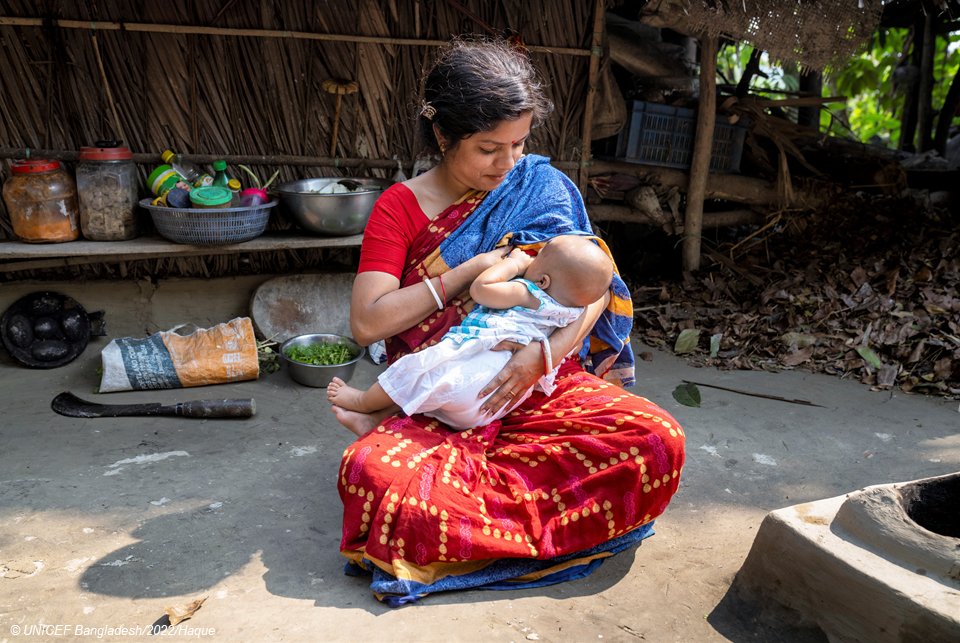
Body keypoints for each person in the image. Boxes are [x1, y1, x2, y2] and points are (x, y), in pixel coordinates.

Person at [332, 37, 686, 606]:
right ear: (444, 136)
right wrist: (465, 273)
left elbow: (592, 292)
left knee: (655, 439)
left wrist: (539, 358)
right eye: (488, 148)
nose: (507, 164)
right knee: (377, 477)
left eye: (518, 145)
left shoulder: (539, 187)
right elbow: (369, 323)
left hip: (535, 377)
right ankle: (431, 468)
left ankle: (475, 532)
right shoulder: (399, 207)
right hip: (440, 385)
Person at [327, 235, 614, 430]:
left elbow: (481, 290)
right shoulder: (573, 311)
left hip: (475, 370)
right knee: (430, 388)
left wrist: (513, 264)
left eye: (537, 257)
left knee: (412, 372)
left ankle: (363, 402)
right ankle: (378, 418)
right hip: (495, 404)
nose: (531, 258)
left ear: (543, 279)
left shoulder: (531, 293)